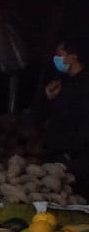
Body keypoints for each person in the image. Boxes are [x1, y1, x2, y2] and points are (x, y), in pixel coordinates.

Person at [37, 36, 89, 187]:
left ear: (73, 56)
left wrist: (71, 153)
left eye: (60, 55)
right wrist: (50, 97)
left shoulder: (84, 85)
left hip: (74, 157)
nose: (56, 59)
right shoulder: (64, 83)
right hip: (57, 151)